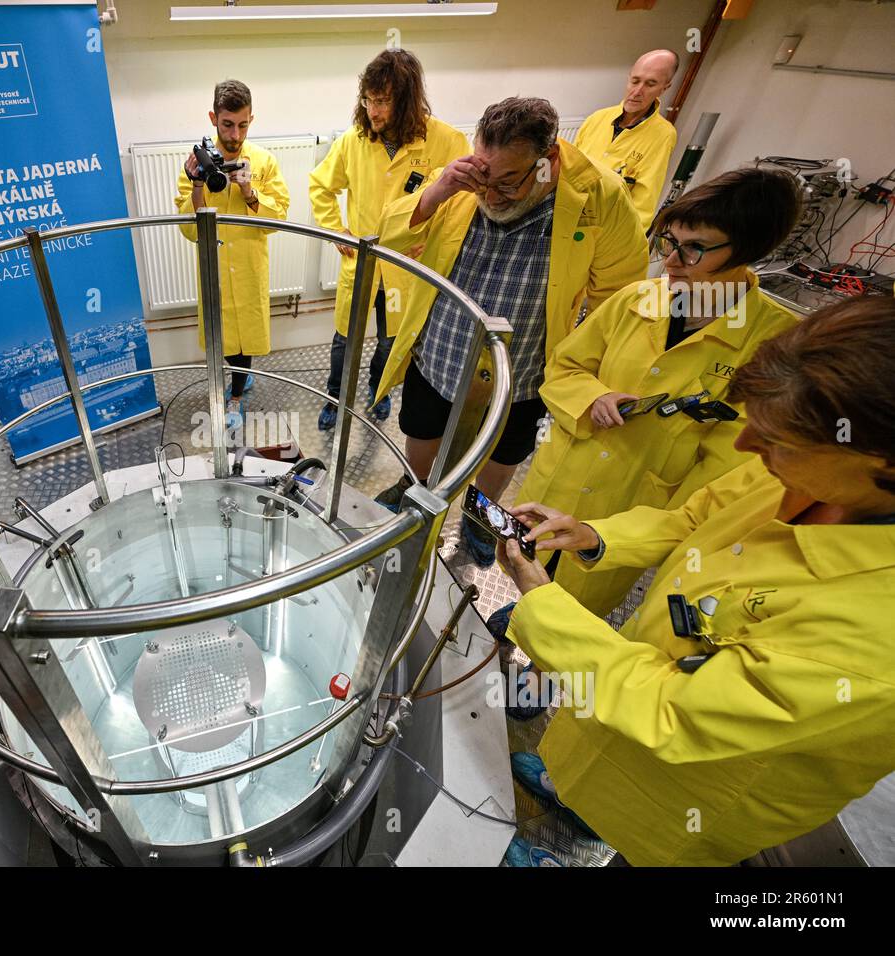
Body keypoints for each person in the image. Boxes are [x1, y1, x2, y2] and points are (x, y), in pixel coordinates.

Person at [496, 295, 895, 866]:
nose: (745, 447)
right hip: (629, 701)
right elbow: (692, 516)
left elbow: (674, 711)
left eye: (777, 441)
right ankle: (571, 794)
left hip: (687, 791)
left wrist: (540, 603)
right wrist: (596, 536)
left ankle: (579, 849)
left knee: (633, 832)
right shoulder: (817, 476)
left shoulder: (874, 634)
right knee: (591, 765)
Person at [512, 166, 803, 617]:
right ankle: (518, 613)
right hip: (561, 476)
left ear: (746, 252)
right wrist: (592, 398)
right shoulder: (636, 300)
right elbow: (565, 365)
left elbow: (726, 476)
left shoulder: (774, 348)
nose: (668, 262)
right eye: (668, 241)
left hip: (630, 511)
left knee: (575, 609)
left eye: (693, 250)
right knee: (523, 563)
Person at [372, 97, 648, 567]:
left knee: (505, 447)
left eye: (507, 183)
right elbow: (389, 238)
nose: (491, 196)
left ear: (549, 162)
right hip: (440, 347)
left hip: (522, 370)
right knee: (421, 427)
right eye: (483, 179)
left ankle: (480, 519)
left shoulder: (599, 197)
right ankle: (411, 490)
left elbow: (620, 296)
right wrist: (438, 191)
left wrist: (595, 375)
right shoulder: (461, 179)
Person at [309, 49, 469, 430]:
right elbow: (320, 187)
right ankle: (335, 396)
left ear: (408, 100)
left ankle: (378, 391)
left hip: (407, 268)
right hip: (361, 261)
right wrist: (337, 230)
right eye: (368, 100)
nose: (373, 111)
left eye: (382, 101)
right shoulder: (354, 141)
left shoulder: (446, 142)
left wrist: (430, 240)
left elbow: (464, 205)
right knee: (345, 338)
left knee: (389, 341)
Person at [176, 79, 290, 430]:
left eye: (242, 124)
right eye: (227, 124)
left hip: (249, 262)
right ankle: (239, 374)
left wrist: (249, 190)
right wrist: (198, 184)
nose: (235, 134)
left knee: (247, 334)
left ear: (251, 120)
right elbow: (189, 226)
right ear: (213, 118)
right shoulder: (198, 162)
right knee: (222, 333)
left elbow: (278, 219)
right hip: (215, 265)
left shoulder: (264, 162)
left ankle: (236, 395)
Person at [574, 50, 680, 227]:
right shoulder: (597, 118)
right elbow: (568, 167)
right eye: (635, 81)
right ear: (629, 77)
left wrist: (627, 247)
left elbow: (645, 201)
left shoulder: (663, 135)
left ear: (665, 87)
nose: (637, 91)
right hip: (568, 211)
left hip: (603, 226)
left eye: (650, 84)